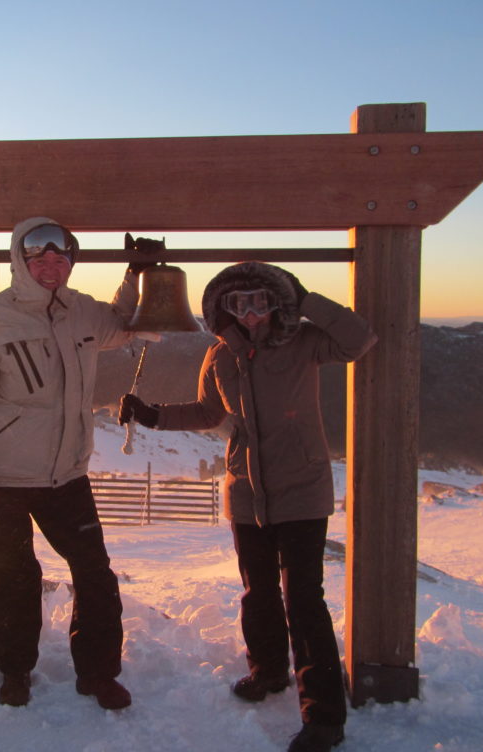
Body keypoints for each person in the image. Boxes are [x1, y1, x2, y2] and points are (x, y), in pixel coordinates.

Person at [119, 262, 376, 751]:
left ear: (279, 302)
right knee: (257, 593)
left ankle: (323, 715)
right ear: (224, 309)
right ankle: (268, 673)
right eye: (240, 304)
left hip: (302, 491)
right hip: (246, 495)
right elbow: (207, 413)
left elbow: (358, 339)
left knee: (303, 601)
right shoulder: (220, 356)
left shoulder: (304, 342)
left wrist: (307, 301)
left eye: (262, 301)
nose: (252, 313)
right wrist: (151, 416)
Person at [0, 217, 157, 710]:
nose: (51, 268)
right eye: (40, 260)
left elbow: (121, 326)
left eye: (61, 260)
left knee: (95, 573)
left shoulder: (81, 313)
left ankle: (98, 673)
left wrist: (136, 275)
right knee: (15, 577)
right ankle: (16, 672)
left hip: (67, 476)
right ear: (21, 261)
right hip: (2, 479)